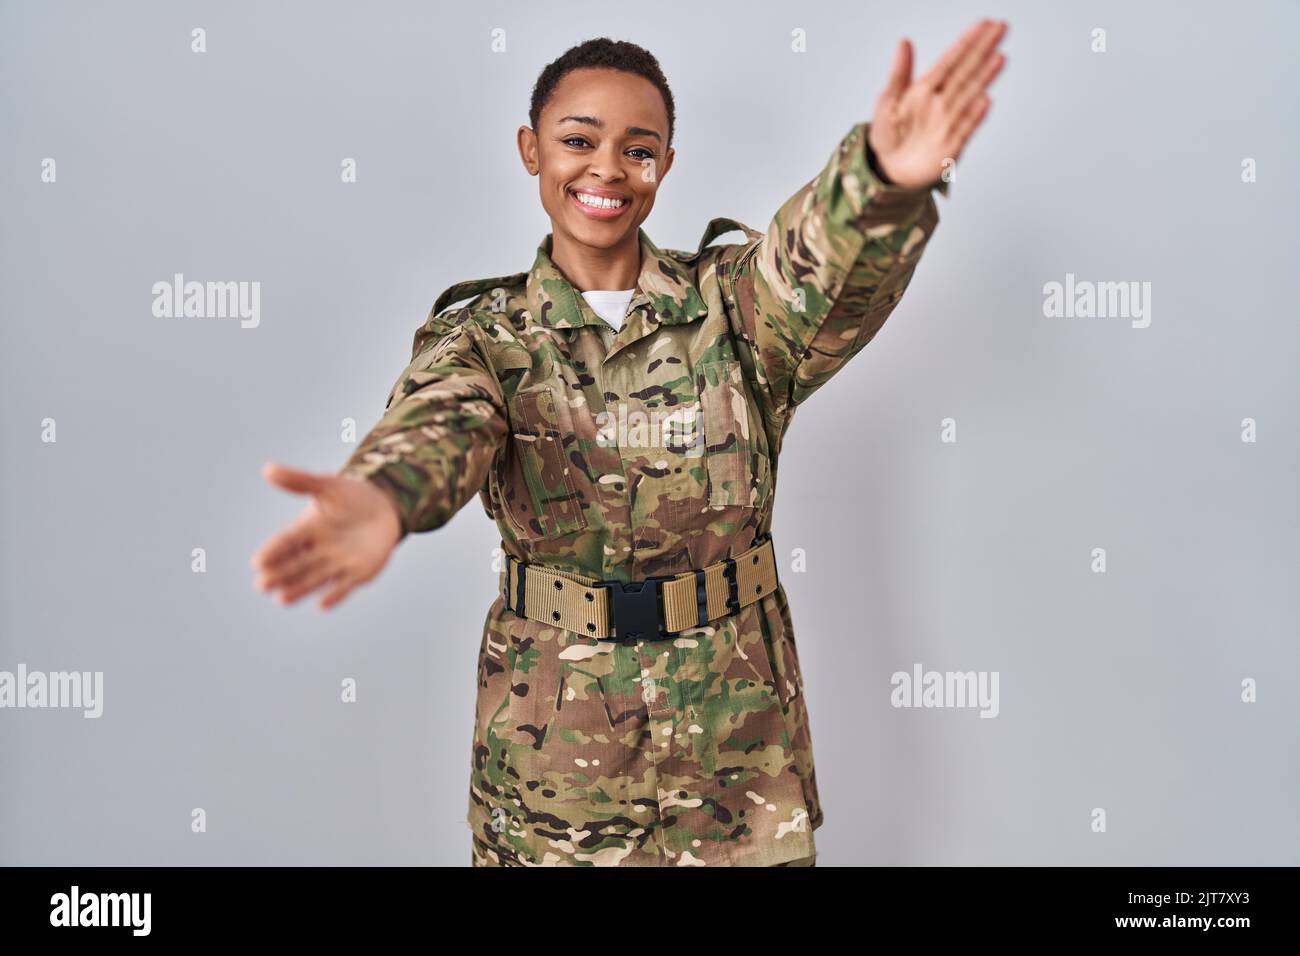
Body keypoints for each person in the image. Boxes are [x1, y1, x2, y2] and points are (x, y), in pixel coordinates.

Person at [251, 22, 1007, 866]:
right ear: (531, 150)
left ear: (665, 165)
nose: (607, 168)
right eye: (579, 140)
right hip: (555, 770)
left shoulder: (732, 307)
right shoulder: (488, 337)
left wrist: (879, 181)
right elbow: (442, 418)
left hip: (737, 756)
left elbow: (817, 268)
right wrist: (386, 496)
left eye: (637, 149)